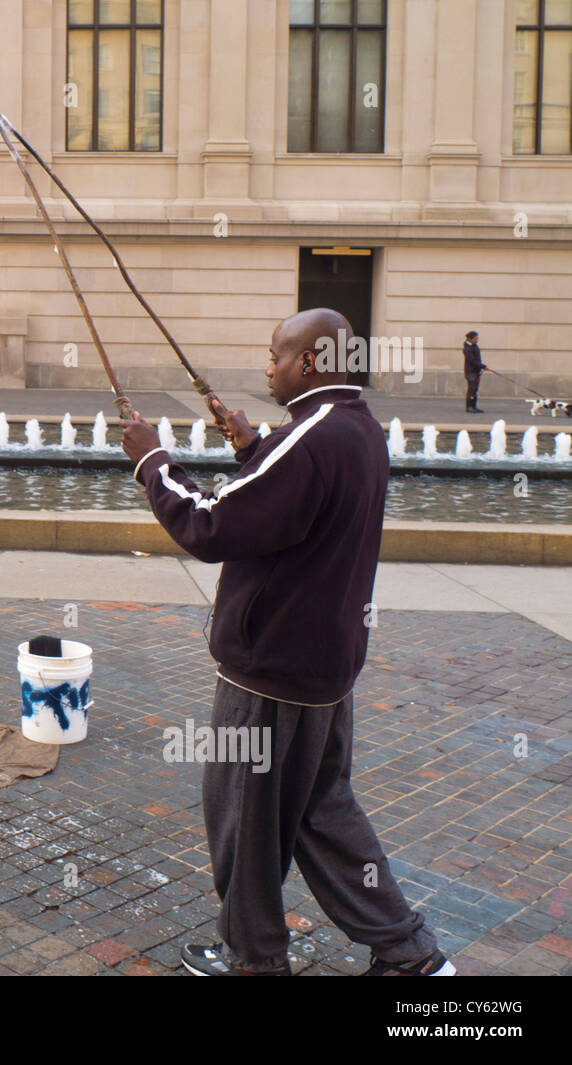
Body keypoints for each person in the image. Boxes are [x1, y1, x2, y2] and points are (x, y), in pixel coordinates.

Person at [120, 307, 453, 977]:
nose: (267, 367)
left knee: (244, 820)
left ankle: (254, 958)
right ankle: (409, 954)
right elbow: (296, 504)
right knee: (321, 814)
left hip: (269, 677)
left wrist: (152, 460)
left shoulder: (312, 439)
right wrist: (253, 448)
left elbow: (211, 524)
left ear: (309, 363)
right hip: (323, 673)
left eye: (276, 355)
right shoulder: (354, 428)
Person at [463, 331, 486, 413]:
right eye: (476, 338)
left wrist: (481, 367)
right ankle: (469, 407)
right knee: (471, 390)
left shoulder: (474, 346)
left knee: (475, 390)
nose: (477, 340)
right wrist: (482, 366)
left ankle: (474, 406)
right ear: (470, 338)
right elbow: (472, 361)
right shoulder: (467, 348)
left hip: (476, 372)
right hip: (471, 372)